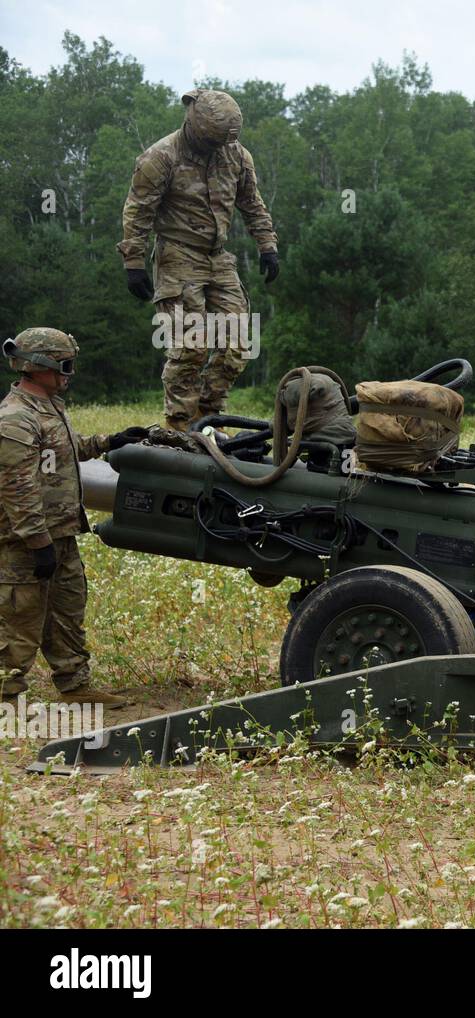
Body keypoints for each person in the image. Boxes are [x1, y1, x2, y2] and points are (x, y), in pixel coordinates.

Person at [0, 328, 149, 708]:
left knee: (67, 611)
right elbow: (16, 487)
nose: (70, 373)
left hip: (60, 534)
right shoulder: (15, 419)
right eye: (65, 365)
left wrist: (109, 442)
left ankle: (74, 685)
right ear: (39, 367)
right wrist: (38, 543)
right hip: (26, 542)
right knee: (21, 617)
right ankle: (7, 693)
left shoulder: (49, 408)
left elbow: (63, 453)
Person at [118, 89, 279, 432]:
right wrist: (133, 263)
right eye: (211, 143)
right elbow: (138, 211)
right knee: (192, 345)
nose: (217, 150)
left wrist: (267, 245)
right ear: (192, 123)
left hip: (217, 256)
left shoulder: (235, 155)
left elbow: (251, 203)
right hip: (178, 253)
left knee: (237, 342)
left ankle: (207, 419)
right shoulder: (161, 157)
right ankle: (179, 425)